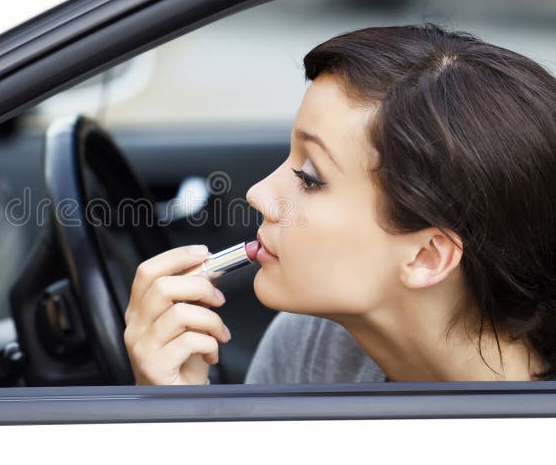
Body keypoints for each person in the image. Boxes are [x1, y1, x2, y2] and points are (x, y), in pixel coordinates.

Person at [123, 23, 556, 385]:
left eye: (309, 178)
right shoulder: (311, 344)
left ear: (427, 256)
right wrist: (178, 406)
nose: (257, 194)